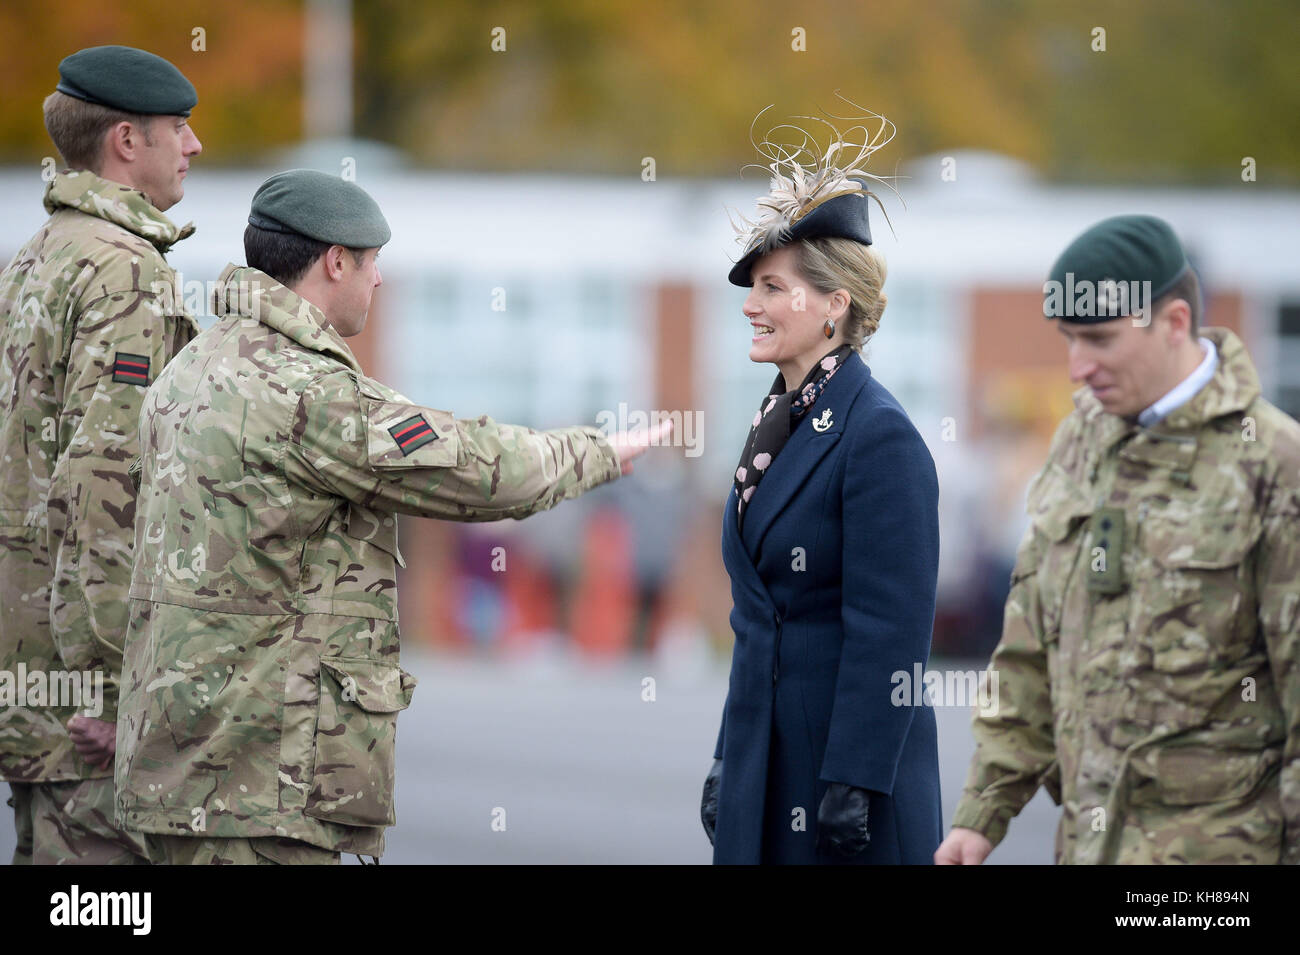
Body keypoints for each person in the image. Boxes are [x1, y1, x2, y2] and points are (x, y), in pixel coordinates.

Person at [114, 170, 668, 864]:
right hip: (257, 783)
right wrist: (600, 451)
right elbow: (474, 467)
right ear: (335, 261)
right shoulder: (306, 392)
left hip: (177, 761)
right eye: (373, 262)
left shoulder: (189, 368)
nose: (379, 282)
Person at [938, 214, 1300, 865]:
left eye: (1100, 339)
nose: (1078, 368)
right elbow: (1030, 644)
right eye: (1070, 339)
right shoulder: (1081, 440)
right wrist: (982, 812)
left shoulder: (1273, 462)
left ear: (1175, 323)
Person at [702, 111, 942, 864]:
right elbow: (757, 624)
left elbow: (891, 630)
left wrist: (855, 779)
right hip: (765, 766)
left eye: (773, 287)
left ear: (834, 303)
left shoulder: (879, 435)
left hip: (845, 786)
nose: (750, 304)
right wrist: (726, 755)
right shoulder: (780, 420)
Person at [0, 45, 202, 865]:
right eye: (179, 128)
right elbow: (106, 488)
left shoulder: (33, 258)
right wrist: (118, 690)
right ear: (127, 140)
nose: (194, 146)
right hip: (84, 695)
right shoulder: (124, 274)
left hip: (30, 666)